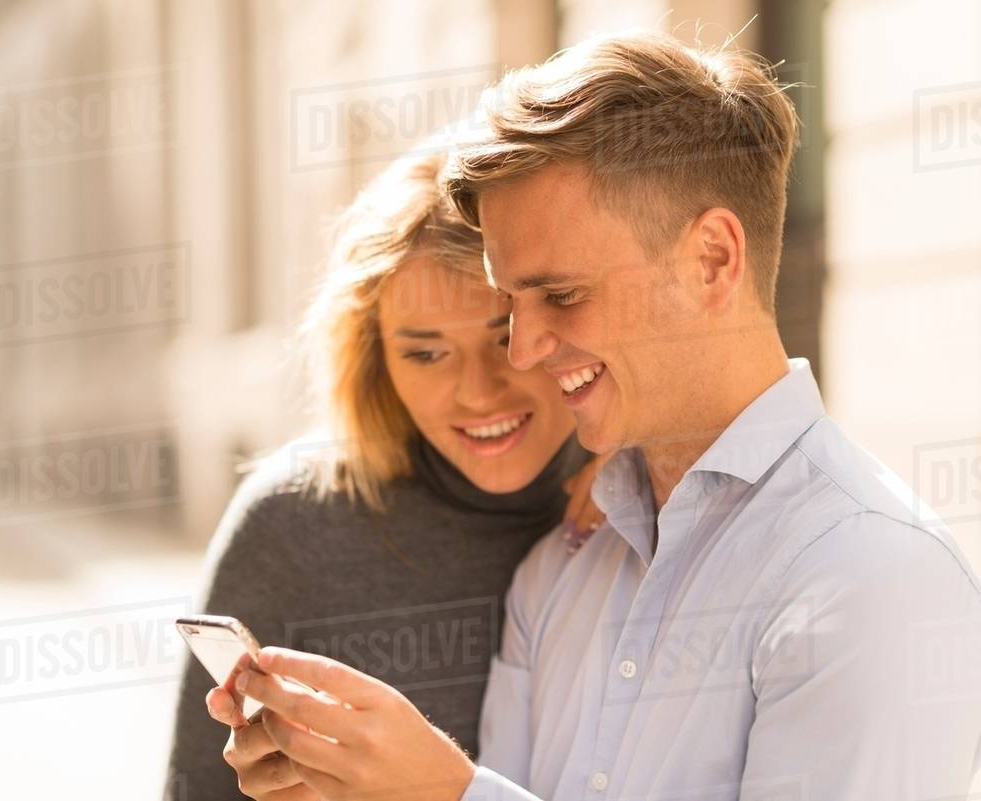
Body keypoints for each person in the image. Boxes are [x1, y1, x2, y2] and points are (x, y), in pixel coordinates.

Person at [218, 30, 981, 801]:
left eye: (561, 295)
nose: (522, 351)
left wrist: (448, 793)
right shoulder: (558, 570)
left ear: (712, 260)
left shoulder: (873, 579)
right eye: (511, 301)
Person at [163, 147, 601, 801]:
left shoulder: (652, 496)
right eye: (426, 353)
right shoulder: (292, 524)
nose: (478, 392)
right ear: (376, 361)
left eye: (503, 335)